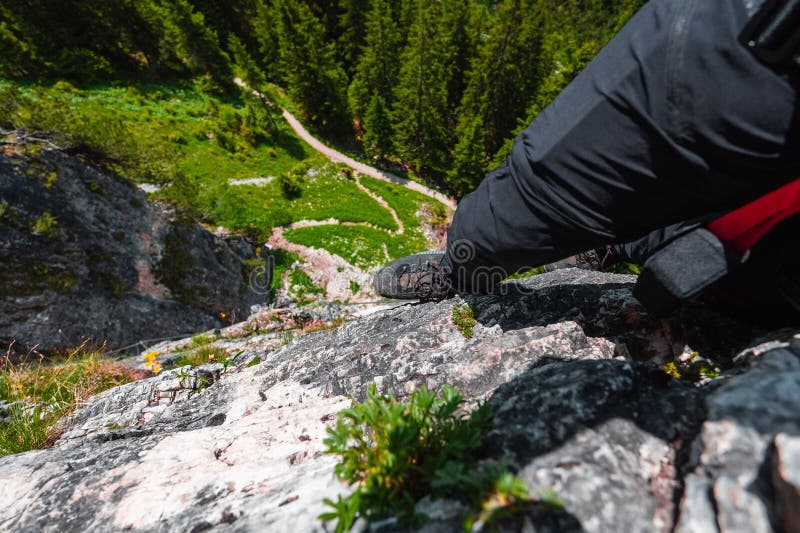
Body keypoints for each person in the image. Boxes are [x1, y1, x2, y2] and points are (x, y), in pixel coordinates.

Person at [373, 0, 800, 320]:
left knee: (536, 193)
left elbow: (548, 184)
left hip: (755, 60)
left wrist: (475, 248)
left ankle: (466, 268)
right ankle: (601, 246)